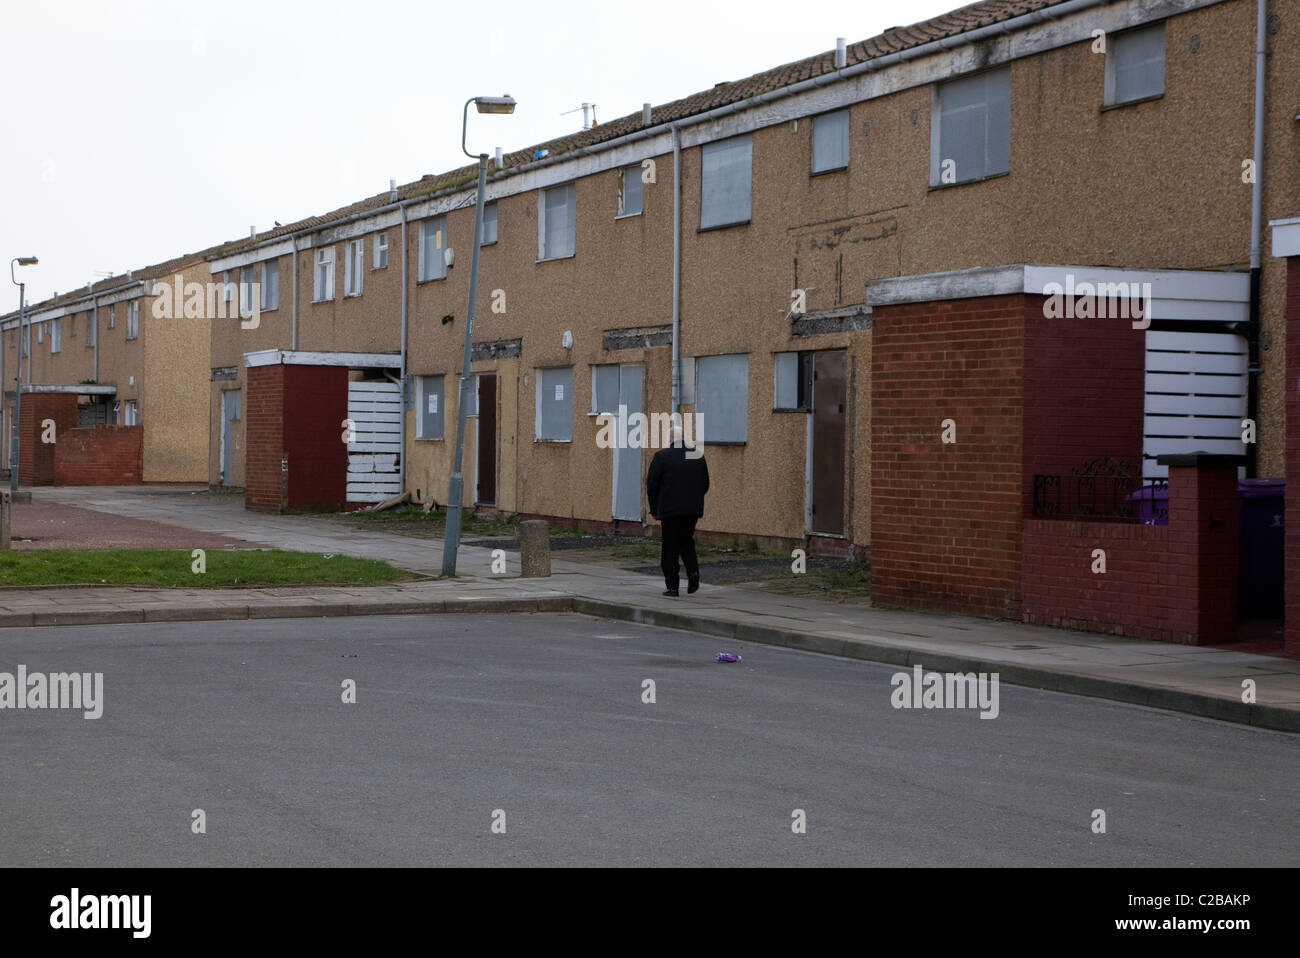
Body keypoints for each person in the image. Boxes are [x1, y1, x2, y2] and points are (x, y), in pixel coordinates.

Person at [646, 425, 709, 597]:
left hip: (670, 511)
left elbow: (652, 486)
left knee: (670, 547)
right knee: (686, 541)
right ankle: (693, 572)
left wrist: (654, 509)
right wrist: (693, 502)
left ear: (670, 439)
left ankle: (672, 586)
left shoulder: (662, 457)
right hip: (692, 511)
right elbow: (705, 484)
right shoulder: (697, 455)